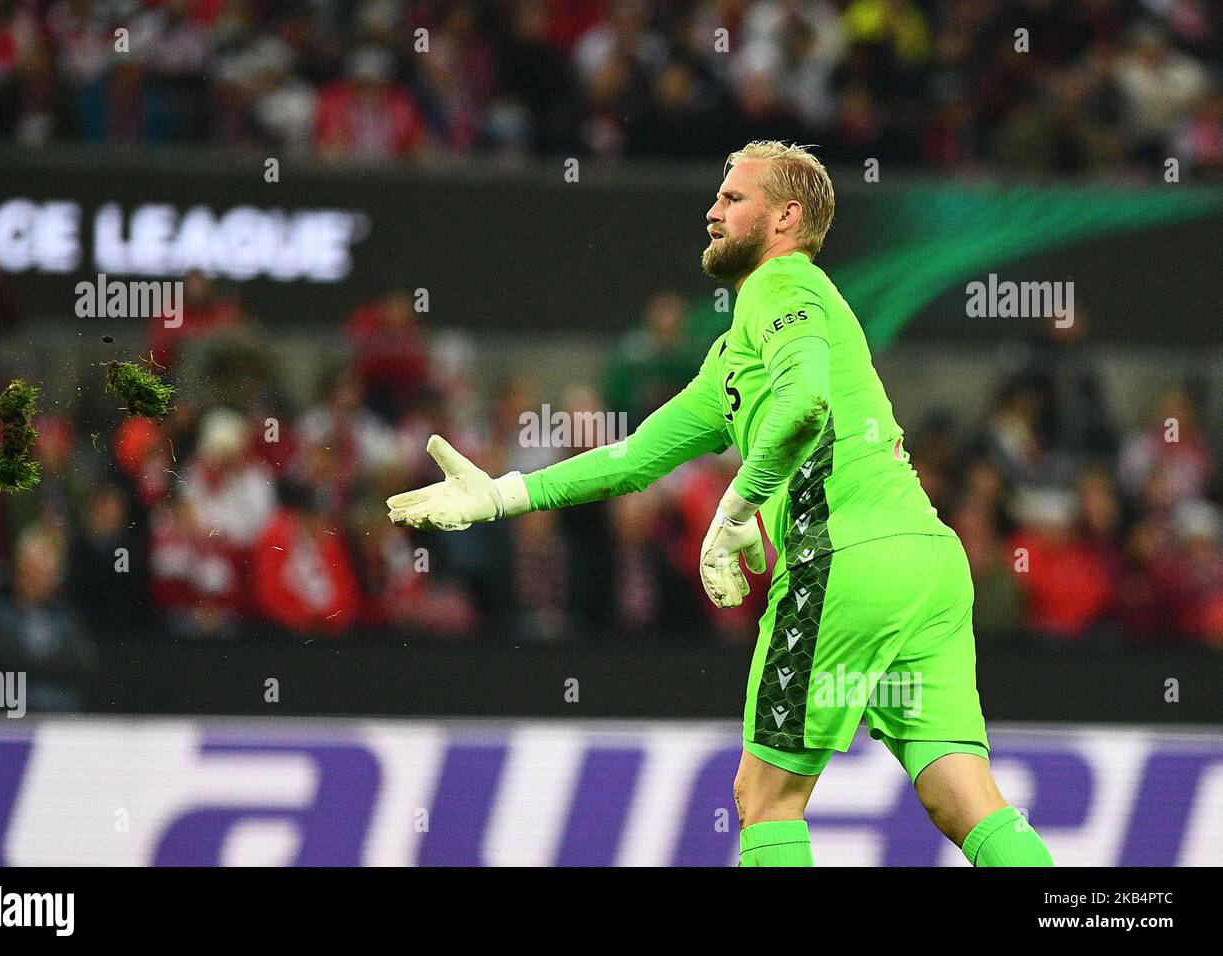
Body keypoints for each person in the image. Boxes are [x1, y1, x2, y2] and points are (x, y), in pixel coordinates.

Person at [386, 141, 1053, 868]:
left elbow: (803, 408)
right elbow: (635, 459)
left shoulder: (784, 283)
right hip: (925, 564)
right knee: (962, 799)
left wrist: (736, 508)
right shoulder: (734, 354)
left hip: (845, 560)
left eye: (735, 198)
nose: (713, 210)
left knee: (766, 798)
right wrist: (500, 494)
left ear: (786, 218)